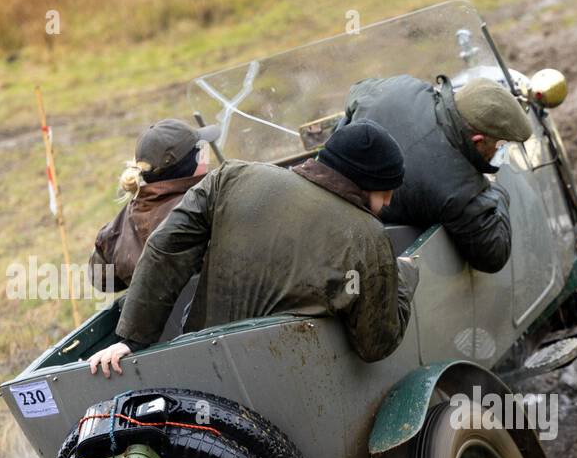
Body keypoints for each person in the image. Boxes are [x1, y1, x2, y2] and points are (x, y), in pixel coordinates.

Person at [87, 119, 419, 375]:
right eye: (385, 190)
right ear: (363, 183)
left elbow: (166, 248)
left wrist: (132, 340)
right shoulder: (368, 237)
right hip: (294, 384)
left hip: (200, 366)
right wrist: (402, 278)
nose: (388, 203)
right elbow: (376, 345)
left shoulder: (231, 177)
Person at [343, 75, 532, 273]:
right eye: (499, 145)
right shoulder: (461, 191)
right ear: (477, 140)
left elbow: (355, 92)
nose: (499, 152)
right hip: (367, 247)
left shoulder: (401, 86)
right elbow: (494, 255)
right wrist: (495, 191)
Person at [89, 118, 221, 293]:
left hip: (162, 318)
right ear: (192, 163)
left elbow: (100, 279)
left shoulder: (123, 224)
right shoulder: (207, 204)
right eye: (201, 151)